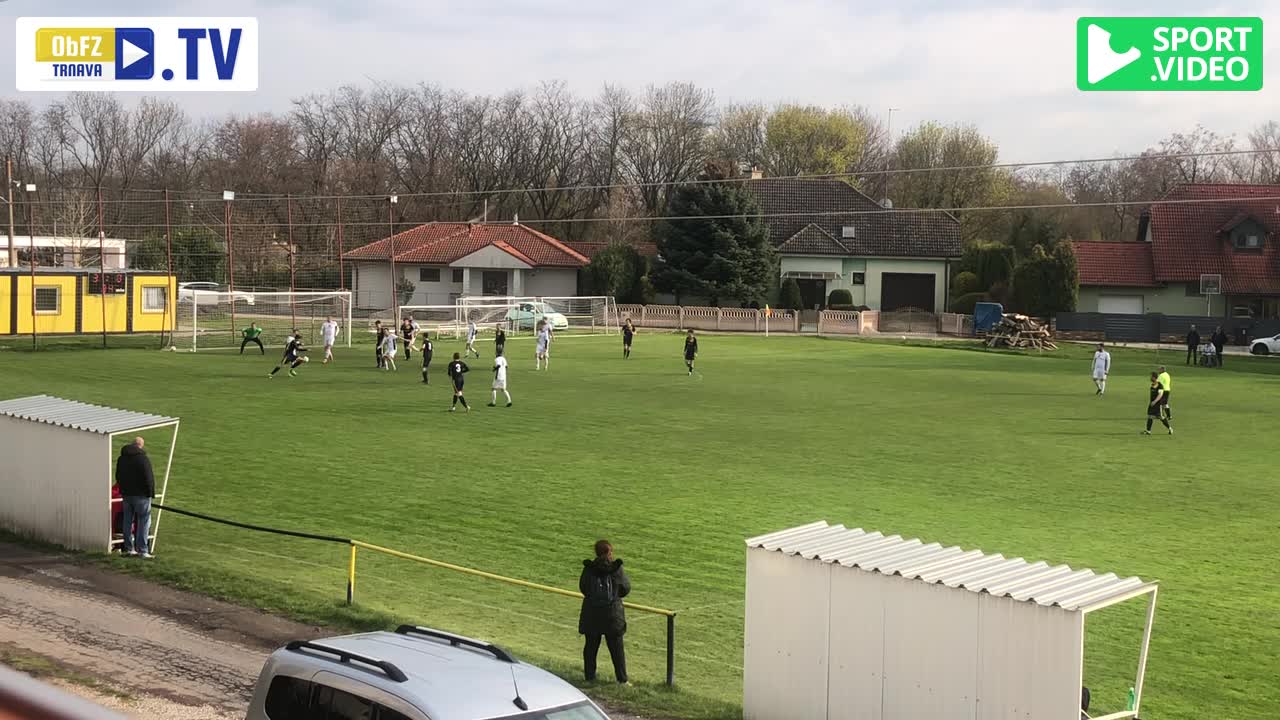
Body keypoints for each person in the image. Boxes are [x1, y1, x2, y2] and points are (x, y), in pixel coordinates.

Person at [578, 539, 630, 685]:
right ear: (608, 553)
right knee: (616, 649)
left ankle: (589, 677)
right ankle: (622, 679)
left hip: (592, 614)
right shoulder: (616, 569)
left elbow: (583, 587)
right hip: (612, 615)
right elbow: (625, 588)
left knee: (591, 647)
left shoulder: (589, 568)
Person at [115, 437, 155, 558]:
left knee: (127, 521)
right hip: (141, 495)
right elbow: (148, 478)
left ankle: (129, 548)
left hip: (126, 494)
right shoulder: (143, 459)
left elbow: (118, 476)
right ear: (141, 446)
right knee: (144, 521)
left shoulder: (122, 458)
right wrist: (150, 493)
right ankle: (143, 550)